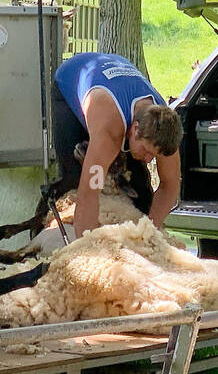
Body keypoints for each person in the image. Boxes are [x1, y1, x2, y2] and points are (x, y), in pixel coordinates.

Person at [50, 50, 183, 238]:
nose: (148, 158)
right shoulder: (109, 131)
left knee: (141, 191)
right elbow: (89, 194)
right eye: (146, 150)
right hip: (72, 80)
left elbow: (169, 184)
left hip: (116, 79)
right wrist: (86, 250)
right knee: (75, 178)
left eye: (154, 156)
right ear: (135, 129)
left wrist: (148, 232)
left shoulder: (166, 130)